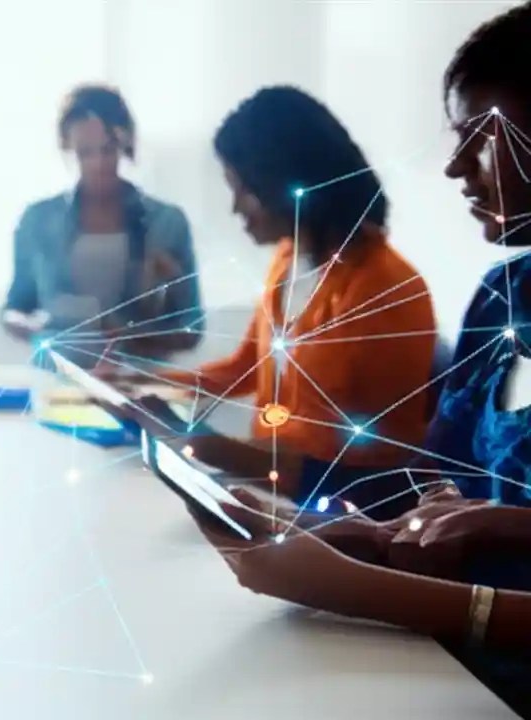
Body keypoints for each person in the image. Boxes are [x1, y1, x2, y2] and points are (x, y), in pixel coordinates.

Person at [189, 0, 531, 661]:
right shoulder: (500, 297)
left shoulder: (385, 285)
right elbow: (438, 480)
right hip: (445, 652)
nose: (456, 167)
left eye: (480, 136)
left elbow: (387, 463)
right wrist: (347, 534)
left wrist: (361, 585)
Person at [116, 87, 437, 513]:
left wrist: (199, 444)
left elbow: (342, 468)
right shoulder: (289, 260)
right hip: (276, 501)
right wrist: (140, 386)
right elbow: (243, 368)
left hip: (348, 522)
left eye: (243, 189)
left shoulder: (386, 290)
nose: (234, 209)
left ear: (284, 184)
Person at [3, 84, 204, 368]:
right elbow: (13, 309)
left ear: (126, 143)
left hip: (141, 384)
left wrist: (134, 336)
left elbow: (191, 328)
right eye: (85, 153)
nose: (98, 164)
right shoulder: (38, 220)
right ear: (67, 146)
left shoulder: (167, 222)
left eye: (108, 150)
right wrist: (38, 329)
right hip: (59, 381)